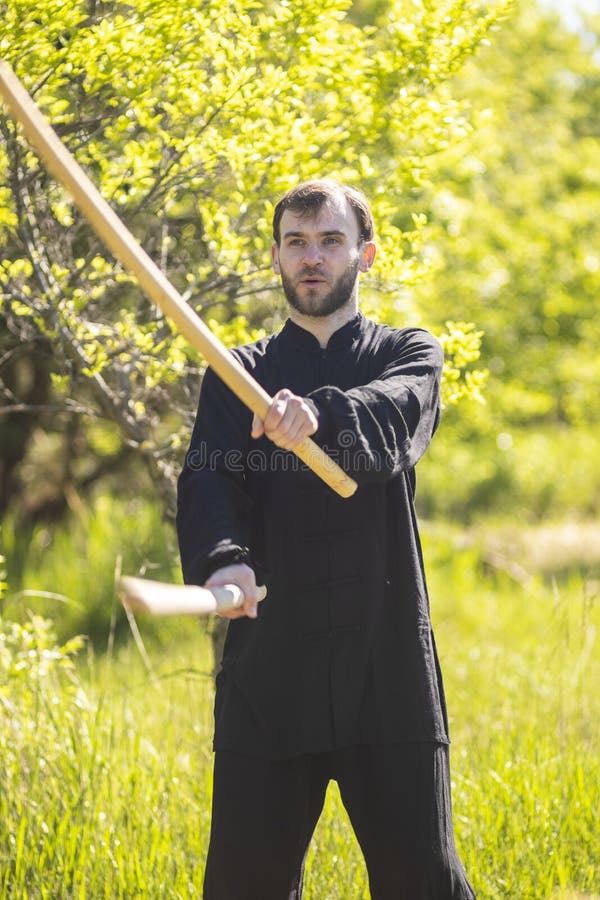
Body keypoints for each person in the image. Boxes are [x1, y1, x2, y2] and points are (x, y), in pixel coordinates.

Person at [176, 180, 476, 900]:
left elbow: (394, 419)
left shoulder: (409, 353)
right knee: (243, 887)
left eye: (331, 241)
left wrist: (318, 415)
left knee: (423, 883)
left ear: (365, 254)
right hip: (270, 668)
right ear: (276, 257)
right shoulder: (238, 375)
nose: (313, 257)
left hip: (387, 666)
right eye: (297, 242)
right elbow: (210, 483)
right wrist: (227, 562)